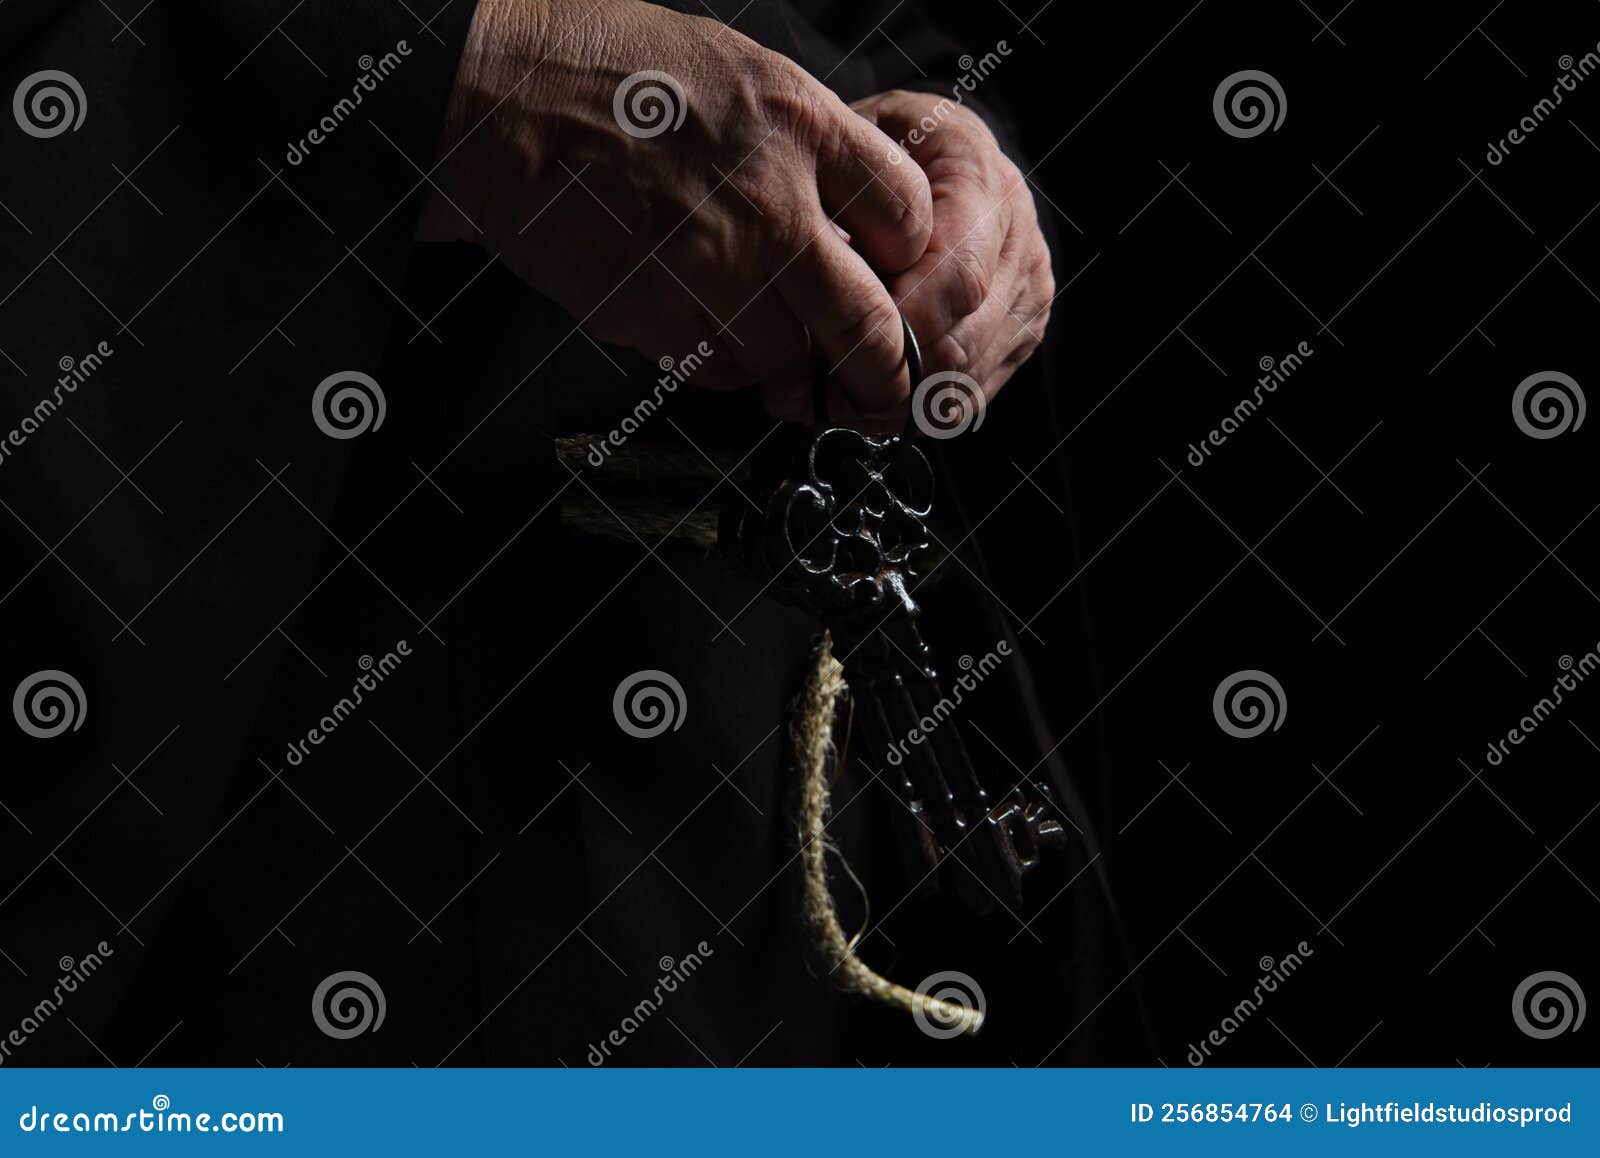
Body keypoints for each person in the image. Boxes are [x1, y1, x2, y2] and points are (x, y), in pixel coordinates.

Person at [1, 0, 1136, 1065]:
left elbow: (895, 27)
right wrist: (447, 70)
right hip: (304, 742)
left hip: (741, 749)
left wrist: (947, 150)